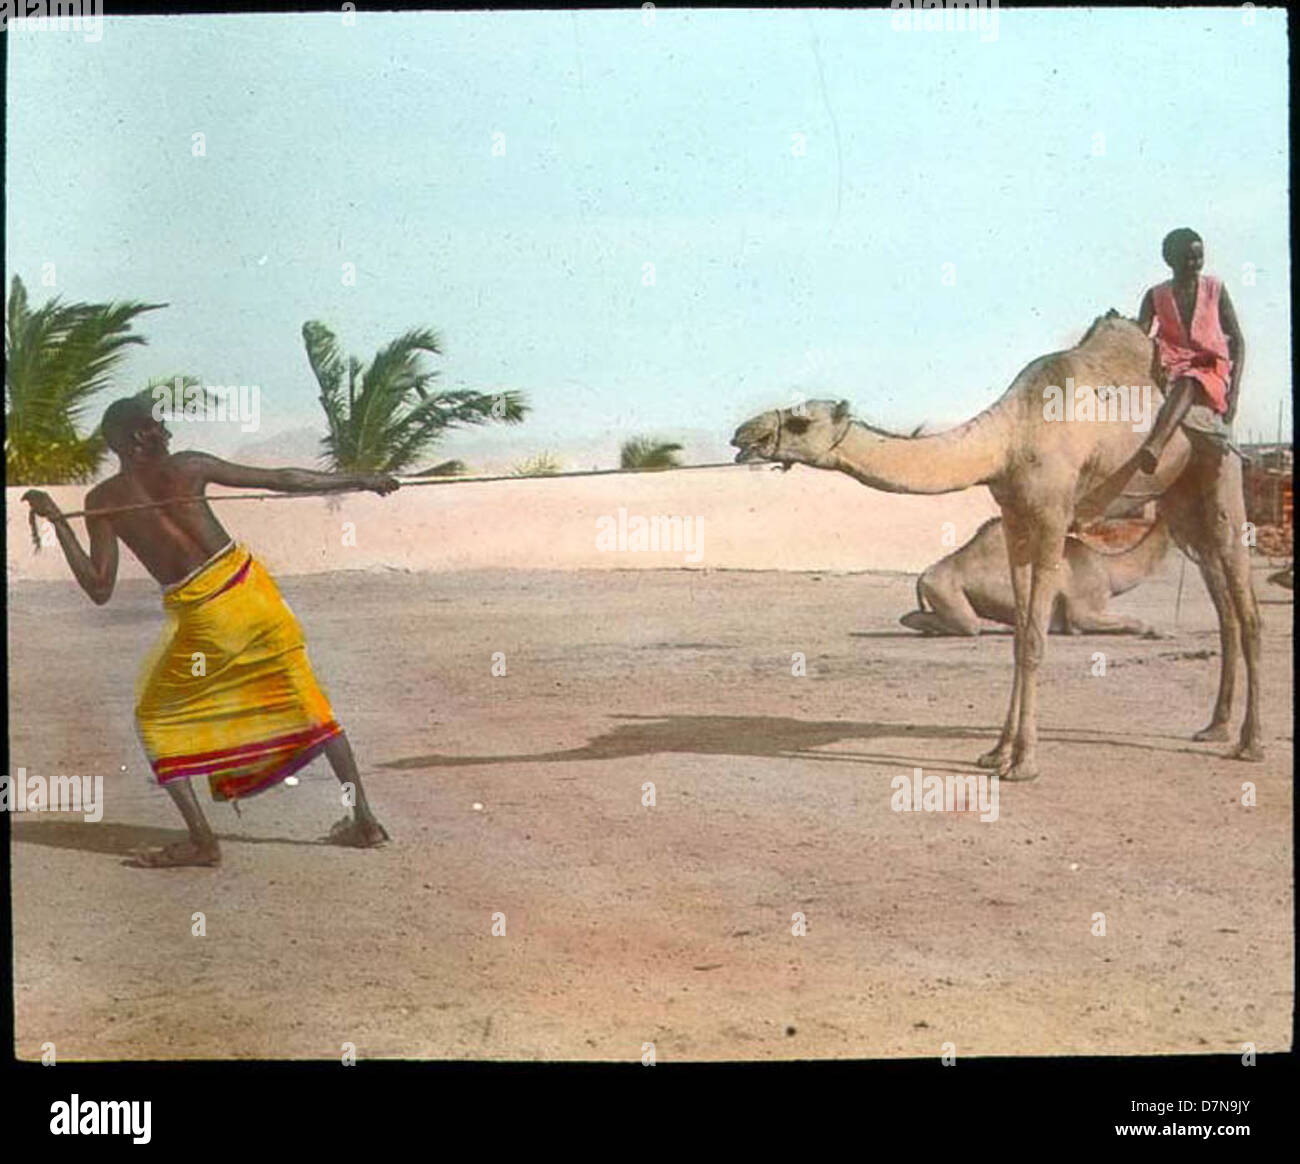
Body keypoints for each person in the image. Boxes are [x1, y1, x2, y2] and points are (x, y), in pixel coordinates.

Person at [22, 395, 398, 867]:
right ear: (139, 436)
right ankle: (364, 820)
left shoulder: (104, 501)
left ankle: (202, 842)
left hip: (209, 618)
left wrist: (60, 524)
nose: (168, 432)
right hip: (258, 600)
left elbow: (99, 588)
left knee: (155, 719)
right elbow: (284, 480)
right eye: (159, 424)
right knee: (310, 706)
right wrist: (362, 479)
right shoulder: (189, 466)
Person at [1135, 228, 1245, 474]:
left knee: (1190, 382)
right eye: (1188, 258)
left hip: (1211, 369)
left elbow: (1237, 340)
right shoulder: (1155, 295)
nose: (1195, 264)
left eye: (1199, 257)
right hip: (1171, 365)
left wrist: (1234, 393)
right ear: (1170, 261)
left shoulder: (1214, 289)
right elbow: (1140, 334)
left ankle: (1155, 445)